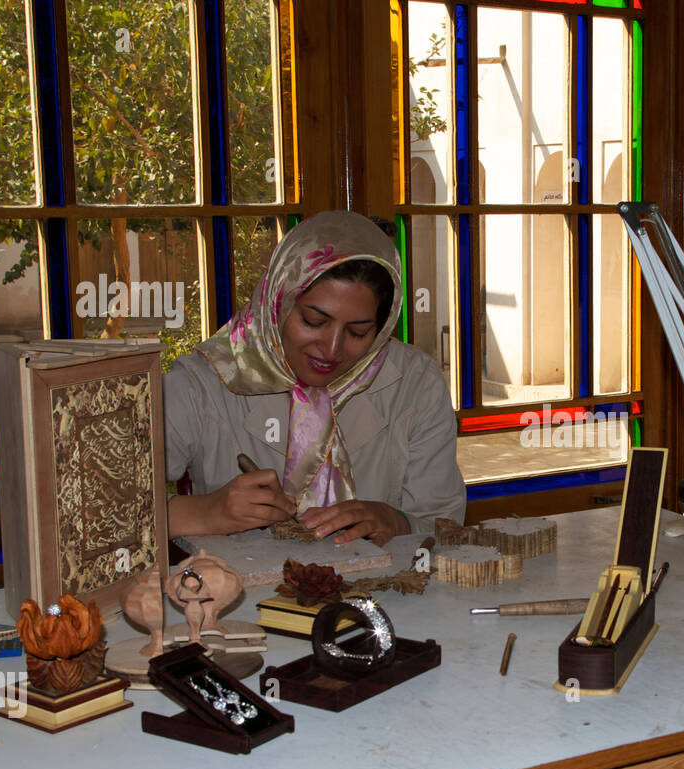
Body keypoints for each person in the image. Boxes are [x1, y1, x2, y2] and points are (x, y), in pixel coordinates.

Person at [164, 211, 465, 546]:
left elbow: (445, 523)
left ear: (381, 330)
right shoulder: (202, 381)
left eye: (358, 332)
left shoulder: (415, 382)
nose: (331, 349)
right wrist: (205, 512)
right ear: (277, 303)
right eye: (313, 321)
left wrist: (398, 521)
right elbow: (118, 511)